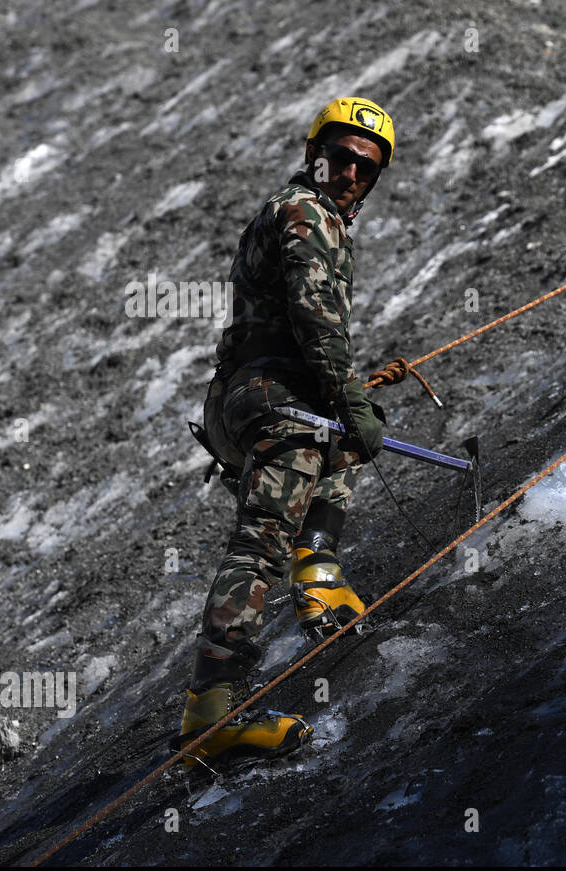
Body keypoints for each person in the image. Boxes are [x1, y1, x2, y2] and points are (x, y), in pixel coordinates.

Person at [172, 97, 395, 766]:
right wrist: (351, 398)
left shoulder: (308, 215)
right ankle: (213, 712)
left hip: (250, 397)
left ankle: (320, 574)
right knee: (260, 544)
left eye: (368, 167)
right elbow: (313, 314)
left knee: (340, 434)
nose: (353, 171)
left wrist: (350, 404)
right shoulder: (305, 212)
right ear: (314, 153)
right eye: (344, 155)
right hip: (269, 397)